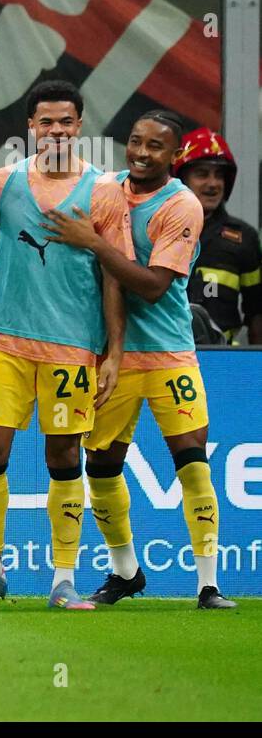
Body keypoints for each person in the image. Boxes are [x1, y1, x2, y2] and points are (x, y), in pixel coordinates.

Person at [42, 111, 236, 609]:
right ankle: (125, 569)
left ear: (175, 157)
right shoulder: (105, 189)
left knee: (191, 462)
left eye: (156, 146)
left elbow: (151, 288)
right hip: (113, 356)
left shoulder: (182, 205)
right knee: (102, 466)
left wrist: (93, 242)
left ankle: (208, 584)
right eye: (135, 142)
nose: (142, 153)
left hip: (170, 353)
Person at [0, 79, 131, 611]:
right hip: (4, 343)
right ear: (29, 128)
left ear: (79, 126)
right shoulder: (3, 185)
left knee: (64, 457)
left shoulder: (103, 191)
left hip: (71, 348)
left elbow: (113, 277)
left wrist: (114, 355)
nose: (55, 130)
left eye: (65, 121)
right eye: (45, 122)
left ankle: (63, 579)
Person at [175, 127, 262, 345]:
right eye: (202, 174)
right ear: (181, 178)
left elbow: (257, 311)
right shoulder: (155, 227)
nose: (213, 184)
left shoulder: (245, 237)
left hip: (223, 356)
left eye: (219, 175)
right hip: (165, 353)